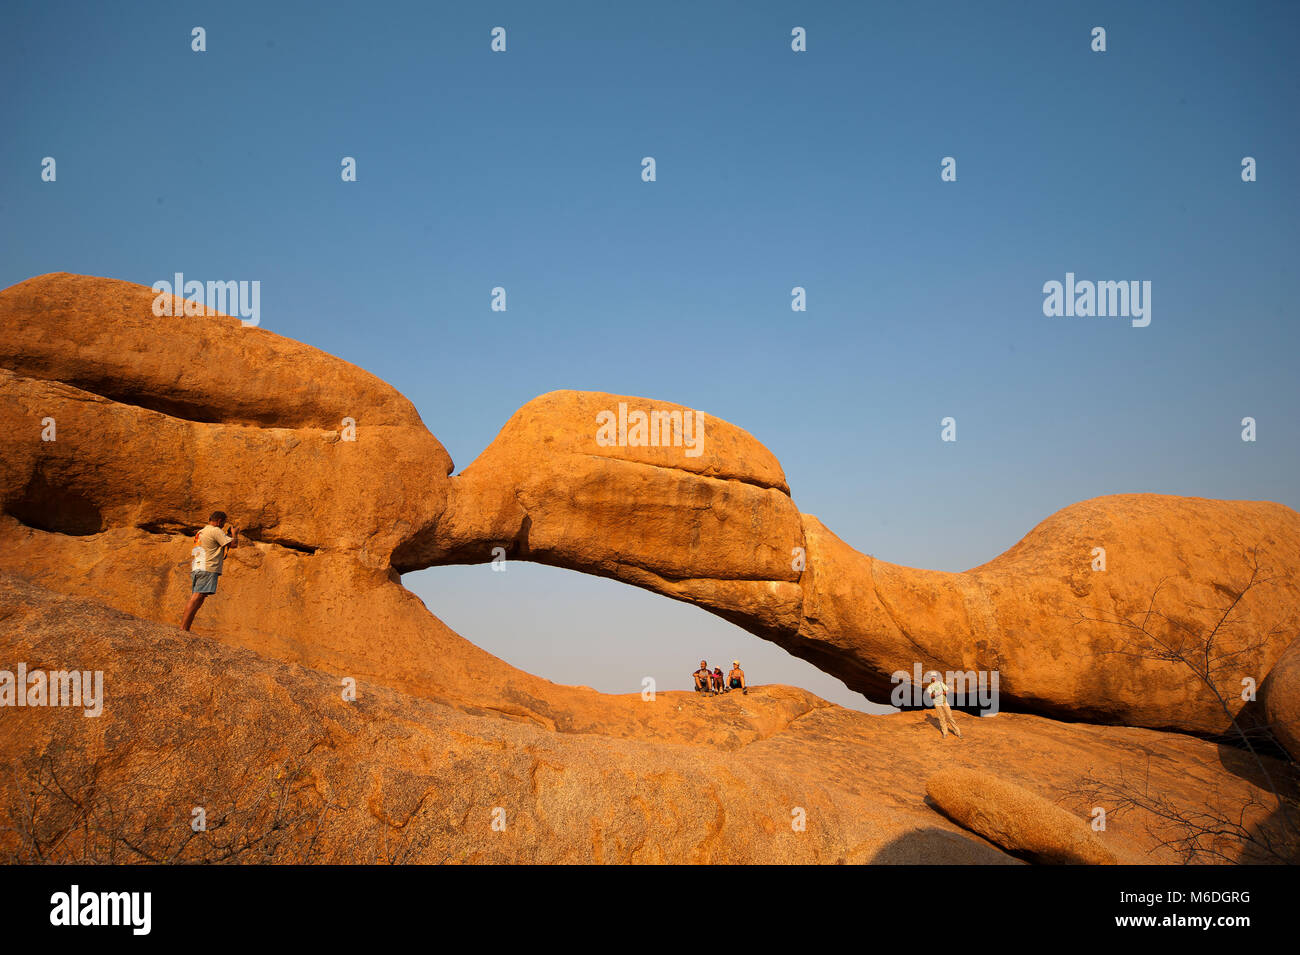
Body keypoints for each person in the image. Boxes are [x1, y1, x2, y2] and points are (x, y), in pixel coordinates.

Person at [181, 511, 239, 632]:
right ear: (219, 521)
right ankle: (183, 628)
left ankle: (186, 628)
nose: (223, 525)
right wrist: (234, 534)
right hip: (207, 567)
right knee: (197, 597)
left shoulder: (201, 532)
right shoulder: (215, 531)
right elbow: (233, 544)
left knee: (200, 597)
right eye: (223, 523)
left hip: (198, 567)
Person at [924, 671, 962, 739]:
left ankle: (958, 732)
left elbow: (947, 691)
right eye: (932, 677)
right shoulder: (930, 686)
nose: (933, 678)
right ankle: (945, 733)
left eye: (934, 677)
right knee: (941, 718)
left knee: (950, 717)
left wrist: (941, 692)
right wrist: (937, 693)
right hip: (937, 704)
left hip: (944, 702)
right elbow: (931, 696)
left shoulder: (941, 683)